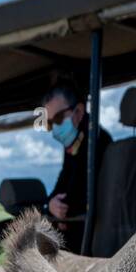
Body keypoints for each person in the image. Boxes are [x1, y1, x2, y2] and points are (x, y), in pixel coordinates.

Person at [42, 78, 111, 254]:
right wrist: (50, 204)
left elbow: (71, 199)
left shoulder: (95, 143)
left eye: (58, 119)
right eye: (50, 123)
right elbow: (59, 190)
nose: (55, 128)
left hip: (91, 244)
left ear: (79, 112)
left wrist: (55, 206)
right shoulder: (74, 145)